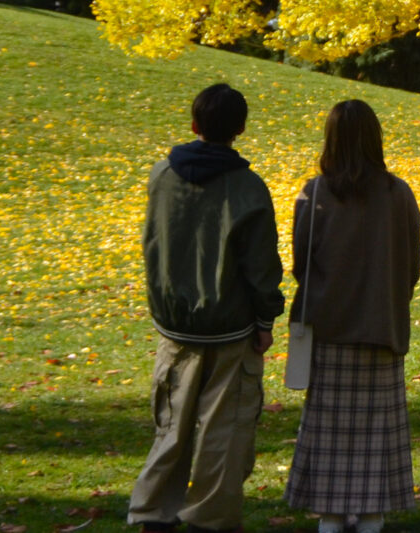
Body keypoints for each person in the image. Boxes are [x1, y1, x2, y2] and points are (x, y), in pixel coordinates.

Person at [130, 84, 285, 533]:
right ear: (240, 129)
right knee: (225, 430)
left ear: (195, 124)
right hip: (231, 327)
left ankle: (155, 513)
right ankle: (209, 519)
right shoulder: (249, 188)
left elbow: (153, 243)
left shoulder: (162, 175)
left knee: (172, 424)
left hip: (176, 326)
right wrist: (265, 319)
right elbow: (260, 263)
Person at [286, 99, 420, 533]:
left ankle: (330, 517)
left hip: (329, 328)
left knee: (329, 435)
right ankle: (370, 517)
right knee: (376, 434)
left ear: (332, 139)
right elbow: (412, 264)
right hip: (381, 326)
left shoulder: (316, 192)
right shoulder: (398, 194)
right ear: (374, 138)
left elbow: (300, 262)